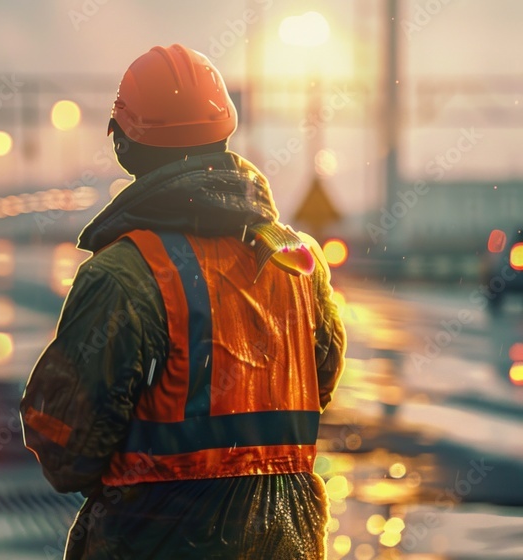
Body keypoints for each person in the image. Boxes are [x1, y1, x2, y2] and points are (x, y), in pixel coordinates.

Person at [19, 44, 347, 559]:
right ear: (223, 134)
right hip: (288, 544)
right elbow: (315, 388)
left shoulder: (123, 275)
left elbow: (67, 449)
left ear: (124, 144)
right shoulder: (297, 260)